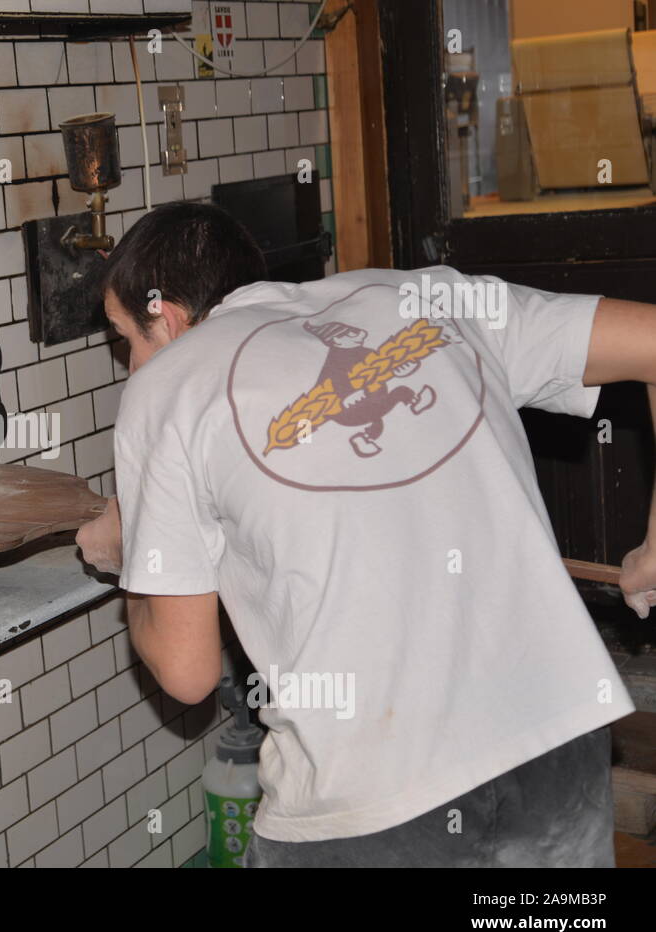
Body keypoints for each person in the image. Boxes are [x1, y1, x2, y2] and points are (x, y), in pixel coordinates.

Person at [75, 201, 644, 867]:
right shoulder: (430, 292)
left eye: (126, 341)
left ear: (166, 316)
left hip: (373, 806)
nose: (132, 367)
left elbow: (186, 671)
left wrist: (128, 556)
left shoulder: (167, 386)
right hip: (559, 743)